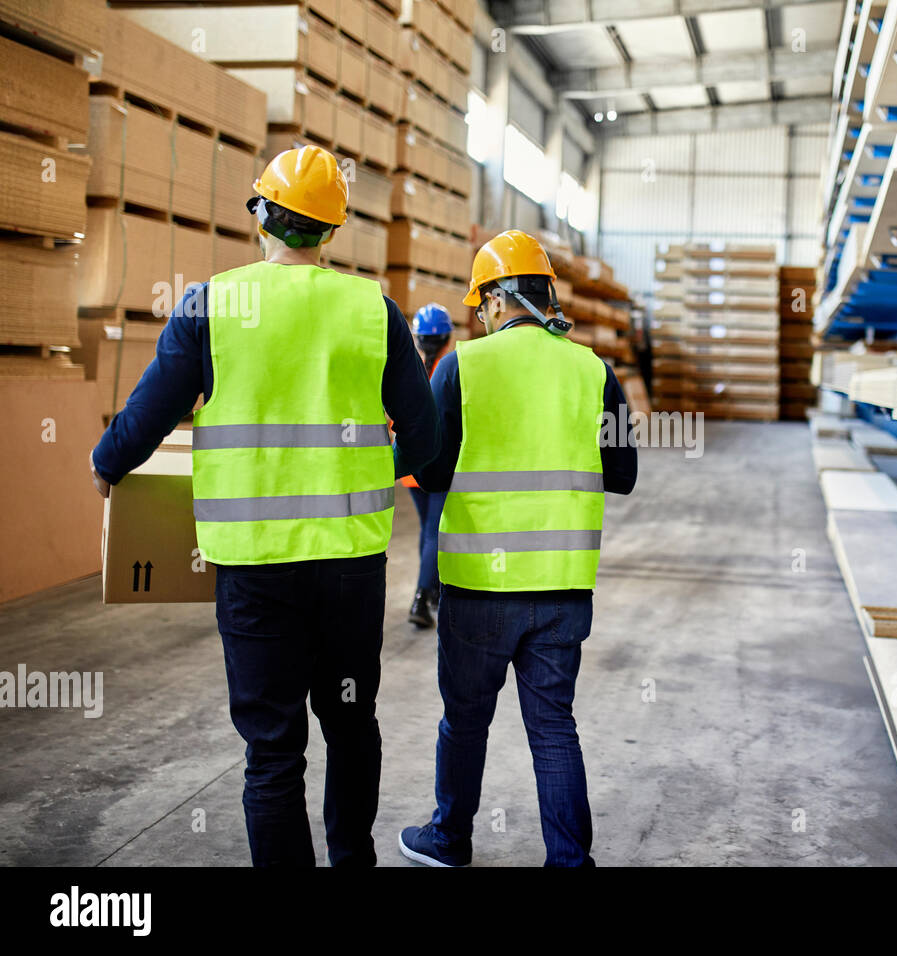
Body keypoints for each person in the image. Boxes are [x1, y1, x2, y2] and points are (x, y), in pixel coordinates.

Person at [89, 145, 442, 867]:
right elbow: (428, 439)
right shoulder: (372, 309)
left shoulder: (211, 304)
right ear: (332, 231)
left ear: (261, 217)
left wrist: (107, 465)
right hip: (349, 561)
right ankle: (352, 859)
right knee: (350, 724)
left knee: (273, 747)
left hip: (254, 568)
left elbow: (149, 414)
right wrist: (378, 470)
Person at [398, 230, 637, 868]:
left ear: (500, 301)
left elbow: (430, 472)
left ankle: (449, 840)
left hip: (479, 588)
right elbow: (623, 474)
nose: (478, 319)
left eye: (481, 307)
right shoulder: (594, 371)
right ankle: (569, 861)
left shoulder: (461, 367)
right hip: (562, 588)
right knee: (554, 729)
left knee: (464, 722)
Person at [402, 303, 455, 628]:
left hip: (412, 469)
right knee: (436, 531)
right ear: (447, 338)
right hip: (438, 466)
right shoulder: (450, 371)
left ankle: (432, 590)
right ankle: (422, 598)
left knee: (427, 528)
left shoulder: (409, 369)